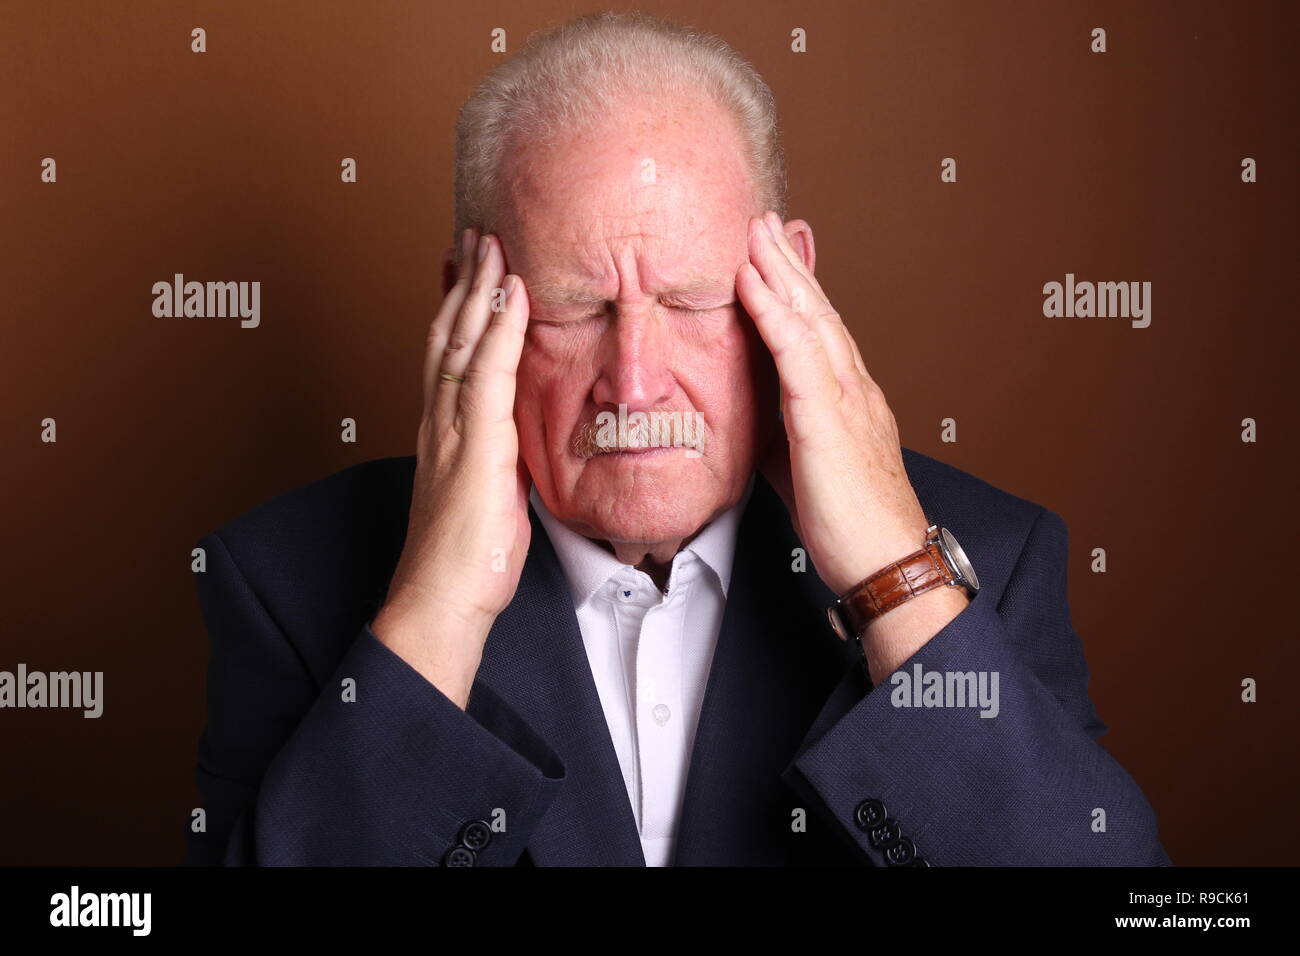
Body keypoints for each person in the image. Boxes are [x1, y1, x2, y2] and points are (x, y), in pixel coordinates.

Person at [186, 11, 1169, 866]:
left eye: (693, 300)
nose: (637, 383)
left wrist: (897, 587)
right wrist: (438, 608)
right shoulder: (288, 583)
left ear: (790, 286)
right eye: (574, 308)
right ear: (469, 309)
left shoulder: (990, 559)